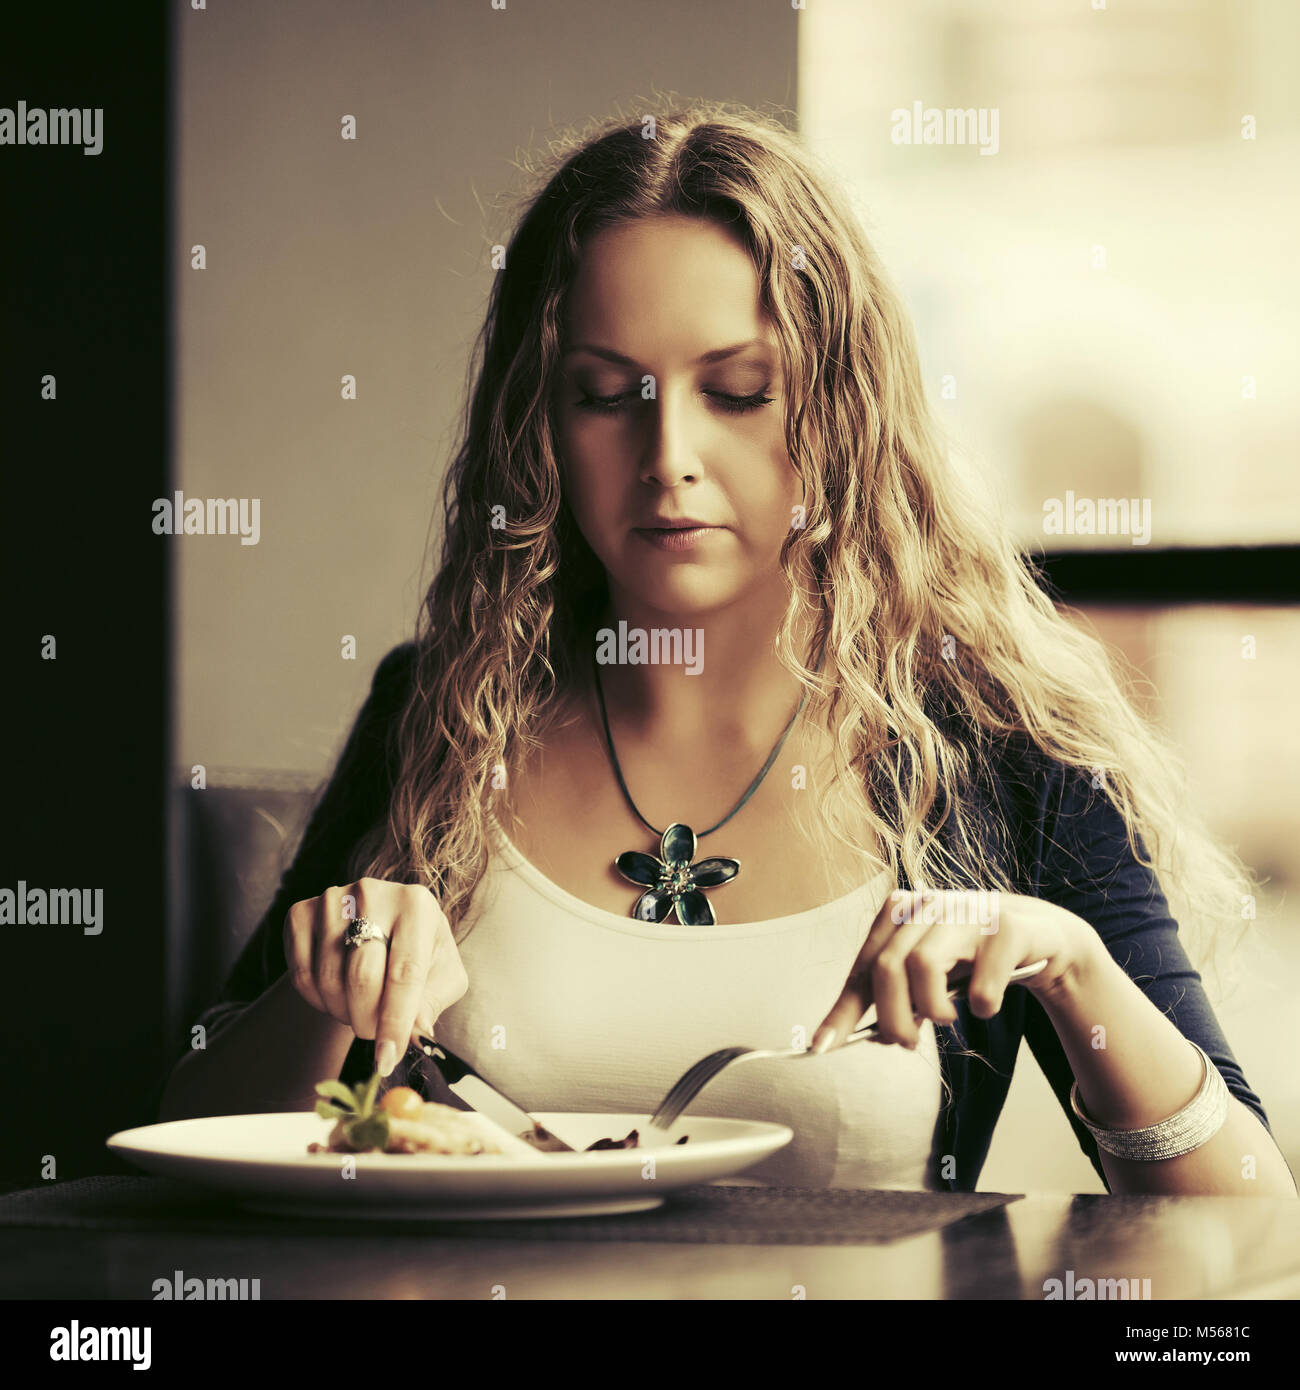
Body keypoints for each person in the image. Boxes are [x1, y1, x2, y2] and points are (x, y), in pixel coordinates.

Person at [159, 101, 1296, 1196]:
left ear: (843, 414)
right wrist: (328, 991)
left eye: (740, 393)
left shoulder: (991, 747)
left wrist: (1069, 964)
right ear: (538, 423)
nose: (669, 454)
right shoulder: (444, 707)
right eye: (607, 396)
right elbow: (172, 1152)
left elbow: (1254, 1213)